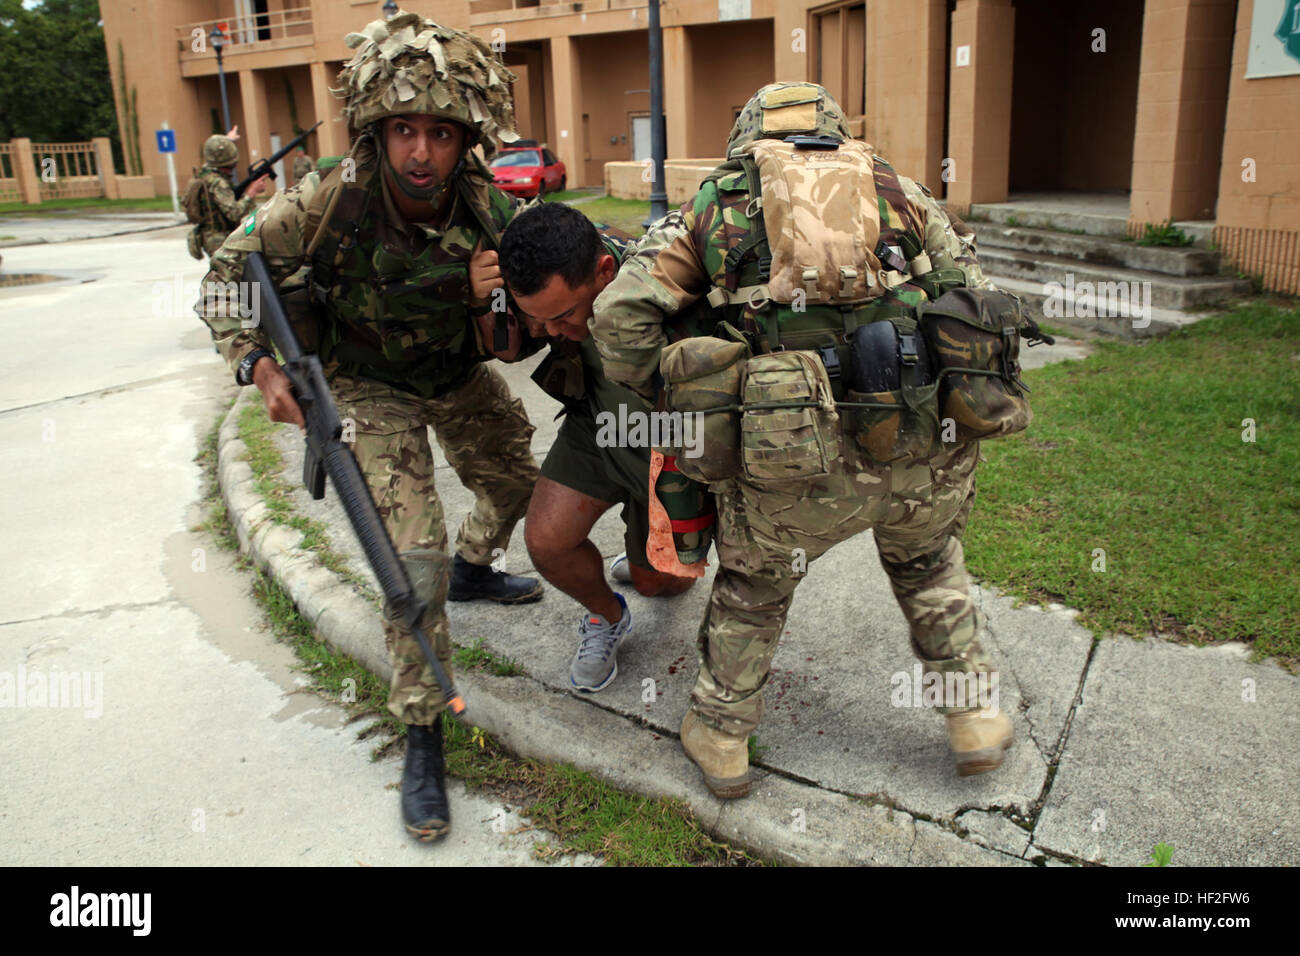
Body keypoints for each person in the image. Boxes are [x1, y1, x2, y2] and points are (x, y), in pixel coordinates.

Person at [590, 82, 1016, 799]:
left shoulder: (716, 206)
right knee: (930, 564)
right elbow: (971, 292)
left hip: (790, 458)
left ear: (749, 137)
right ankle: (974, 717)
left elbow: (617, 319)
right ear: (834, 131)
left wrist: (684, 390)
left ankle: (722, 737)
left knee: (757, 588)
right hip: (921, 447)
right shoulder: (901, 192)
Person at [196, 12, 544, 842]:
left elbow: (540, 316)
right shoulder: (325, 201)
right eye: (401, 130)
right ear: (375, 129)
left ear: (467, 138)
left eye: (438, 133)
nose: (419, 152)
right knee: (407, 562)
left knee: (516, 485)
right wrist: (259, 365)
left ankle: (475, 566)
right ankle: (423, 728)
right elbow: (222, 283)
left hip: (455, 377)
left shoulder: (491, 209)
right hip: (366, 386)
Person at [497, 202, 698, 693]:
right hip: (598, 428)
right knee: (546, 541)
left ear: (605, 272)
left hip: (668, 448)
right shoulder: (553, 284)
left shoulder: (667, 290)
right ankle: (607, 616)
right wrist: (494, 304)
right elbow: (506, 348)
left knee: (658, 583)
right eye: (537, 320)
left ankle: (651, 560)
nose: (549, 333)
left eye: (562, 316)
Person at [181, 134, 269, 258]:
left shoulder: (204, 174)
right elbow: (234, 213)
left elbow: (215, 154)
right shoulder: (218, 183)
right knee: (231, 276)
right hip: (220, 240)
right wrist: (251, 192)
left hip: (210, 236)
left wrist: (225, 141)